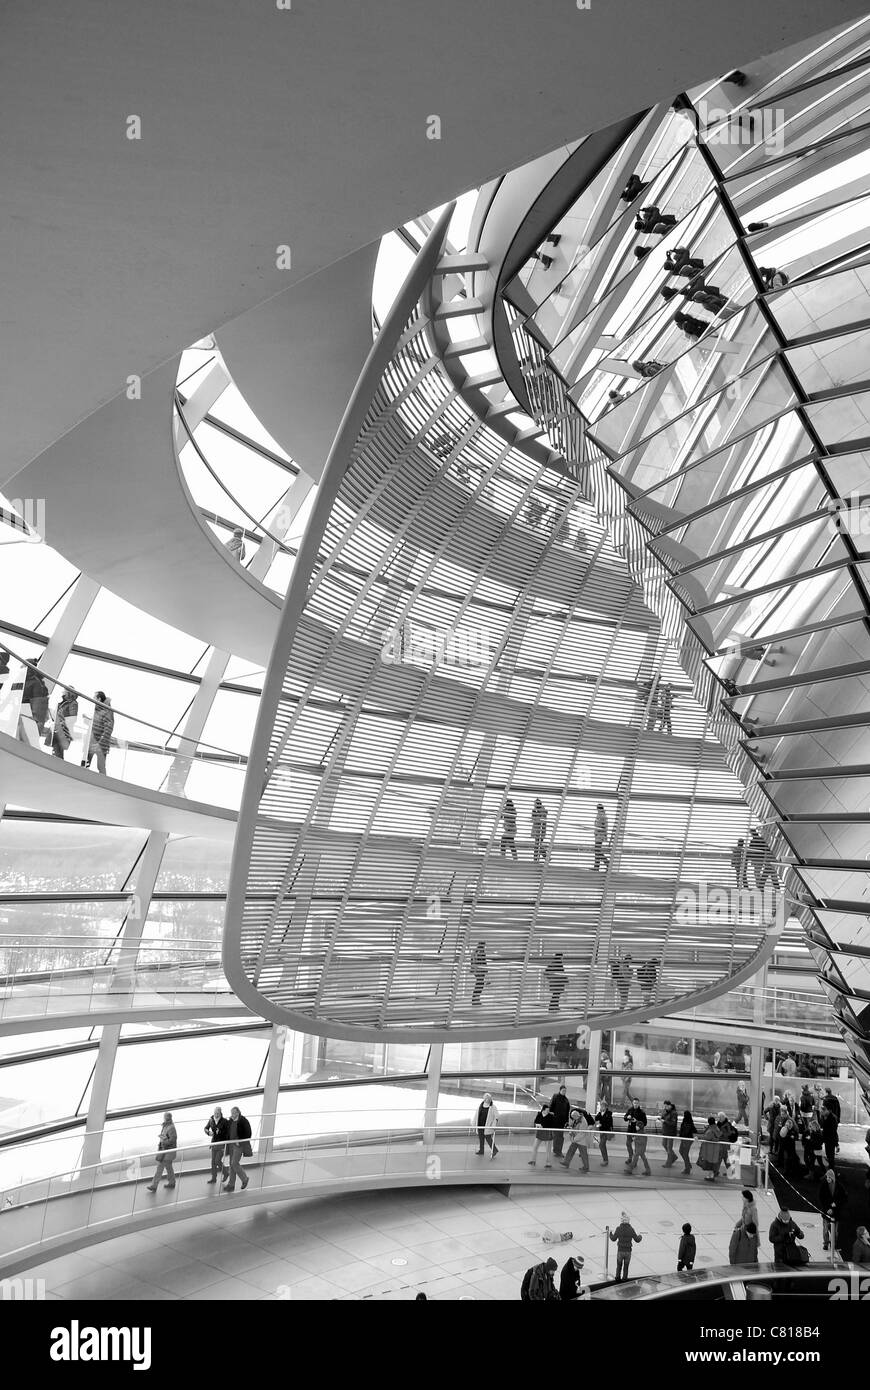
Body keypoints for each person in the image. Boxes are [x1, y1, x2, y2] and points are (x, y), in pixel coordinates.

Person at [82, 691, 114, 774]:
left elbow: (108, 728)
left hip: (100, 744)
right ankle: (82, 777)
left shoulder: (107, 711)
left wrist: (99, 743)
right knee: (85, 762)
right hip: (93, 741)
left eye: (94, 697)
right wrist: (87, 720)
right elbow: (97, 724)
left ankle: (103, 783)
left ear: (99, 699)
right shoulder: (98, 709)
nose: (93, 699)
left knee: (100, 766)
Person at [146, 1111, 178, 1192]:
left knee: (160, 1168)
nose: (164, 1118)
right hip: (166, 1151)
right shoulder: (166, 1126)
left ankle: (154, 1185)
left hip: (168, 1152)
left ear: (167, 1118)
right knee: (169, 1168)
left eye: (165, 1117)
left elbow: (172, 1140)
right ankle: (172, 1182)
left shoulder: (171, 1127)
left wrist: (164, 1141)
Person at [818, 1168, 847, 1252]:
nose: (827, 1179)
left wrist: (835, 1205)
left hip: (836, 1212)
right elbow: (821, 1198)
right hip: (826, 1211)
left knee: (835, 1231)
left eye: (829, 1178)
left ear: (833, 1178)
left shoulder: (839, 1186)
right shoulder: (823, 1185)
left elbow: (844, 1198)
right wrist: (827, 1208)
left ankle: (834, 1245)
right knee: (825, 1229)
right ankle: (826, 1244)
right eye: (826, 1177)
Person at [224, 1105, 252, 1191]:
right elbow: (227, 1132)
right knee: (231, 1165)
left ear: (238, 1113)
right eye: (231, 1113)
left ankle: (245, 1179)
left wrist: (239, 1140)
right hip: (231, 1145)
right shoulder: (230, 1121)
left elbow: (248, 1133)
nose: (232, 1114)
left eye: (234, 1113)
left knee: (234, 1163)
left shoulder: (243, 1121)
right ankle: (231, 1185)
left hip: (239, 1145)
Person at [609, 1212, 642, 1281]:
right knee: (626, 1267)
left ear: (621, 1221)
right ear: (628, 1221)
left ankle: (617, 1279)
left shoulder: (618, 1229)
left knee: (619, 1266)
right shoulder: (631, 1229)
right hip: (628, 1251)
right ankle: (624, 1279)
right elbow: (637, 1240)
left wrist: (610, 1233)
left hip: (620, 1251)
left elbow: (613, 1239)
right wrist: (640, 1235)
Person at [22, 659, 49, 737]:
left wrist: (35, 721)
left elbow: (37, 703)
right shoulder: (22, 679)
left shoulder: (36, 683)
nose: (21, 667)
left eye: (23, 665)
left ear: (28, 667)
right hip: (18, 711)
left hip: (27, 713)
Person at [562, 1107, 593, 1173]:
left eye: (573, 1117)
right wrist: (571, 1132)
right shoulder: (577, 1119)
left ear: (576, 1116)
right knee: (571, 1150)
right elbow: (574, 1127)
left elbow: (582, 1133)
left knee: (583, 1154)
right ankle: (566, 1162)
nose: (573, 1119)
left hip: (581, 1141)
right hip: (577, 1139)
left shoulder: (583, 1121)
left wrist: (574, 1140)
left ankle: (586, 1167)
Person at [51, 687, 78, 759]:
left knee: (58, 752)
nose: (62, 692)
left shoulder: (73, 703)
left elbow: (73, 718)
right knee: (56, 751)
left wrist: (62, 722)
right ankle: (55, 766)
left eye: (64, 690)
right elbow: (55, 717)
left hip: (64, 731)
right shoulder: (61, 703)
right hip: (57, 729)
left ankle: (57, 767)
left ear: (68, 692)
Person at [625, 1099, 650, 1175]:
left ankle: (631, 1168)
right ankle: (631, 1160)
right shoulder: (630, 1110)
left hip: (637, 1135)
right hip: (631, 1131)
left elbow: (644, 1123)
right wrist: (627, 1117)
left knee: (637, 1154)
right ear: (632, 1103)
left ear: (639, 1103)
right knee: (628, 1144)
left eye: (637, 1103)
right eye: (634, 1103)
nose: (635, 1104)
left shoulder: (642, 1113)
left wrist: (636, 1121)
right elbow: (625, 1118)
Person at [204, 1105, 229, 1184]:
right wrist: (208, 1132)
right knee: (213, 1162)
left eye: (217, 1113)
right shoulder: (211, 1120)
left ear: (220, 1113)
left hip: (221, 1144)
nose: (216, 1114)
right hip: (214, 1143)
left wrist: (220, 1132)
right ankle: (213, 1178)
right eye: (215, 1113)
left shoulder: (225, 1121)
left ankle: (226, 1173)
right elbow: (205, 1128)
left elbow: (228, 1133)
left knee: (217, 1160)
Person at [528, 1103, 557, 1168]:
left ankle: (548, 1163)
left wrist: (543, 1126)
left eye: (548, 1110)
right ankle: (533, 1160)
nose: (548, 1111)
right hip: (539, 1133)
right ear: (543, 1110)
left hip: (547, 1134)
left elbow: (553, 1125)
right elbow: (535, 1121)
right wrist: (537, 1125)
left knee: (548, 1149)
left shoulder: (551, 1116)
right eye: (547, 1110)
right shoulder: (539, 1114)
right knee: (535, 1147)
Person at [473, 1092, 499, 1157]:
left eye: (487, 1098)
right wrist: (473, 1123)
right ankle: (481, 1150)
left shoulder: (493, 1107)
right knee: (481, 1138)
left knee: (488, 1138)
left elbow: (496, 1116)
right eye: (485, 1098)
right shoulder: (481, 1105)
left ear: (490, 1099)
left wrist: (494, 1125)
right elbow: (476, 1115)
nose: (485, 1099)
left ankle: (494, 1150)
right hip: (480, 1125)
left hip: (487, 1126)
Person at [549, 1084, 571, 1158]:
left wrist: (567, 1122)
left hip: (562, 1122)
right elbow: (550, 1107)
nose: (564, 1092)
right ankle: (556, 1151)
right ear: (560, 1090)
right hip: (555, 1121)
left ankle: (559, 1151)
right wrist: (551, 1117)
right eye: (563, 1090)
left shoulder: (566, 1100)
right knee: (556, 1136)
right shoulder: (555, 1096)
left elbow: (567, 1112)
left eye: (565, 1091)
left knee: (561, 1137)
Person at [699, 1116, 722, 1181]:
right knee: (713, 1162)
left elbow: (707, 1137)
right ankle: (711, 1175)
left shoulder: (710, 1130)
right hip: (716, 1147)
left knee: (709, 1162)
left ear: (709, 1122)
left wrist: (699, 1137)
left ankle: (711, 1176)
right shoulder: (716, 1128)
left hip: (710, 1148)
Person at [820, 1099, 839, 1169]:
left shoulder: (833, 1119)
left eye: (824, 1109)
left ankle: (831, 1174)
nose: (822, 1111)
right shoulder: (823, 1116)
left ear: (830, 1110)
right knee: (828, 1157)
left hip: (831, 1140)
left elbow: (834, 1132)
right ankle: (830, 1172)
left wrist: (837, 1144)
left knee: (830, 1158)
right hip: (826, 1139)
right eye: (822, 1109)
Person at [596, 1099, 614, 1166]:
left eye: (603, 1106)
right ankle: (605, 1159)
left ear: (606, 1107)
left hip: (606, 1132)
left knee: (601, 1145)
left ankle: (605, 1160)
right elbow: (596, 1118)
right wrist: (600, 1113)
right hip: (602, 1131)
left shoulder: (609, 1114)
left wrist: (601, 1124)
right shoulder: (600, 1113)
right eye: (601, 1106)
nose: (602, 1107)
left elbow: (609, 1123)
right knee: (602, 1145)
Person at [660, 1100, 679, 1168]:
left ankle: (669, 1162)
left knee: (669, 1147)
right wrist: (661, 1118)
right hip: (665, 1131)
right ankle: (673, 1157)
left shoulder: (674, 1113)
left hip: (671, 1132)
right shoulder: (665, 1111)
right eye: (664, 1106)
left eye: (666, 1106)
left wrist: (664, 1121)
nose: (665, 1107)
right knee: (664, 1144)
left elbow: (673, 1124)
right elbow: (663, 1117)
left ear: (670, 1106)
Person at [678, 1109, 697, 1174]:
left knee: (685, 1153)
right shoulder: (685, 1121)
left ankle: (687, 1168)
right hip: (684, 1139)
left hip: (688, 1140)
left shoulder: (689, 1123)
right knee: (681, 1151)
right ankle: (688, 1165)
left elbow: (693, 1131)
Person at [470, 940, 488, 1006]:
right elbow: (483, 962)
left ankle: (475, 998)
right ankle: (475, 999)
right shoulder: (481, 952)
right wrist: (486, 969)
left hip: (476, 970)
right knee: (480, 984)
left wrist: (472, 969)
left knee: (479, 983)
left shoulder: (474, 952)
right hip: (480, 970)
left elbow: (472, 961)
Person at [531, 798, 548, 862]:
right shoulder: (535, 810)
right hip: (536, 830)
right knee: (537, 845)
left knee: (537, 845)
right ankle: (537, 859)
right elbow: (533, 819)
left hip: (541, 830)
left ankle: (545, 857)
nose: (534, 805)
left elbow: (540, 819)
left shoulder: (543, 810)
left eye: (534, 804)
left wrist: (535, 814)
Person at [593, 803, 609, 870]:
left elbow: (604, 826)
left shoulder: (602, 816)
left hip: (600, 835)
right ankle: (596, 867)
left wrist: (602, 834)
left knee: (598, 850)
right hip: (598, 835)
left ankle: (607, 863)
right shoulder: (600, 815)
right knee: (597, 850)